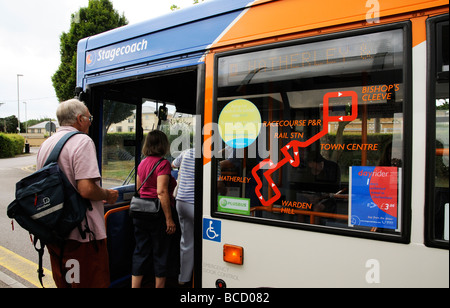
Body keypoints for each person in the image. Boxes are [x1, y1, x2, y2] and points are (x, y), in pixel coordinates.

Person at [36, 99, 119, 288]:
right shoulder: (82, 141)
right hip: (82, 235)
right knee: (90, 282)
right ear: (79, 119)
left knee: (66, 282)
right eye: (89, 117)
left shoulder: (46, 144)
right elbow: (86, 189)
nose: (90, 121)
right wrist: (108, 194)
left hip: (54, 232)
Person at [132, 130, 178, 288]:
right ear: (163, 144)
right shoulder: (163, 164)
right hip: (157, 214)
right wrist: (169, 219)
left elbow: (139, 188)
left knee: (140, 252)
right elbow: (162, 192)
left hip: (140, 213)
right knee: (161, 253)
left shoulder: (142, 163)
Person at [172, 148, 195, 286]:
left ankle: (183, 279)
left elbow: (174, 164)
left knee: (186, 242)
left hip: (181, 201)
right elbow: (218, 184)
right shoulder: (211, 158)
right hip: (195, 203)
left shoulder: (187, 152)